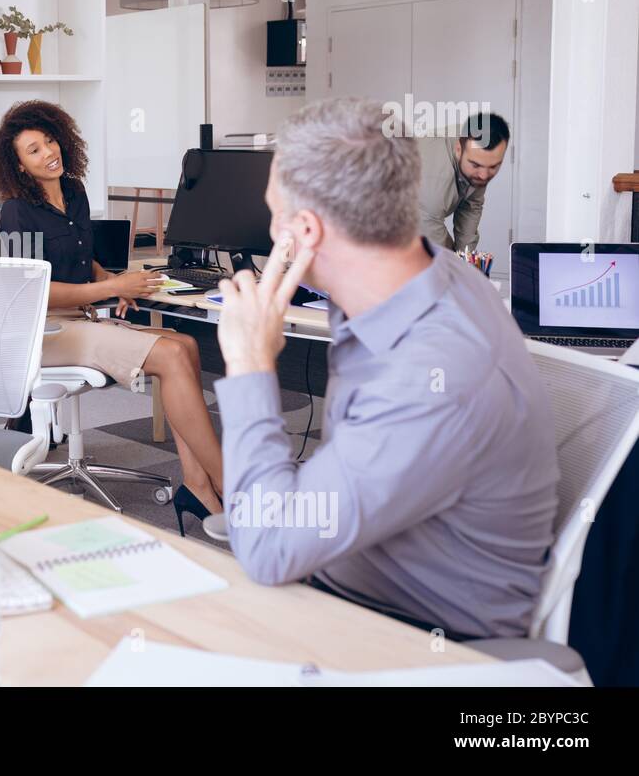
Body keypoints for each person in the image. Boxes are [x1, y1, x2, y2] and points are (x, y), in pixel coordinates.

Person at [213, 97, 556, 640]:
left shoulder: (430, 378)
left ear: (304, 231)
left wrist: (250, 364)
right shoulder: (435, 273)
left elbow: (266, 544)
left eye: (275, 211)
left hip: (411, 634)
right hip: (345, 570)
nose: (269, 226)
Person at [0, 100, 224, 525]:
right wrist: (111, 287)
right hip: (42, 330)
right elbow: (33, 293)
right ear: (19, 166)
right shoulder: (16, 211)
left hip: (81, 318)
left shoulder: (74, 191)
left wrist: (109, 282)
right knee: (169, 356)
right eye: (34, 150)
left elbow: (82, 255)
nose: (48, 153)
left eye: (49, 141)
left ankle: (197, 485)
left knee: (186, 346)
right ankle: (231, 487)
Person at [417, 111, 509, 251]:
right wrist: (459, 265)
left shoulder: (475, 152)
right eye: (476, 165)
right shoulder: (435, 176)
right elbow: (431, 234)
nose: (484, 176)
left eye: (493, 166)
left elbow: (470, 207)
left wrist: (467, 258)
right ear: (458, 150)